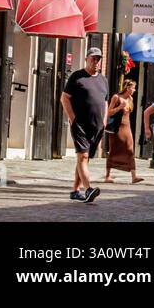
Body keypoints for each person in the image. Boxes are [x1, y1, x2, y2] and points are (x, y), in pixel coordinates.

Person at [60, 47, 108, 203]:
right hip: (80, 124)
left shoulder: (103, 80)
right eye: (93, 58)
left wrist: (105, 120)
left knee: (84, 159)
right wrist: (73, 118)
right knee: (83, 156)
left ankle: (75, 190)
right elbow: (64, 98)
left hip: (97, 126)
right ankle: (88, 190)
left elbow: (105, 102)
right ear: (86, 59)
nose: (96, 62)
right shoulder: (77, 77)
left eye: (98, 59)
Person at [102, 80, 143, 184]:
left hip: (127, 127)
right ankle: (108, 176)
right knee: (114, 150)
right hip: (116, 128)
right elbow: (109, 112)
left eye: (134, 88)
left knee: (130, 150)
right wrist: (119, 107)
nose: (134, 90)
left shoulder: (130, 99)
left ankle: (134, 176)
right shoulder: (116, 97)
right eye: (133, 88)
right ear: (127, 88)